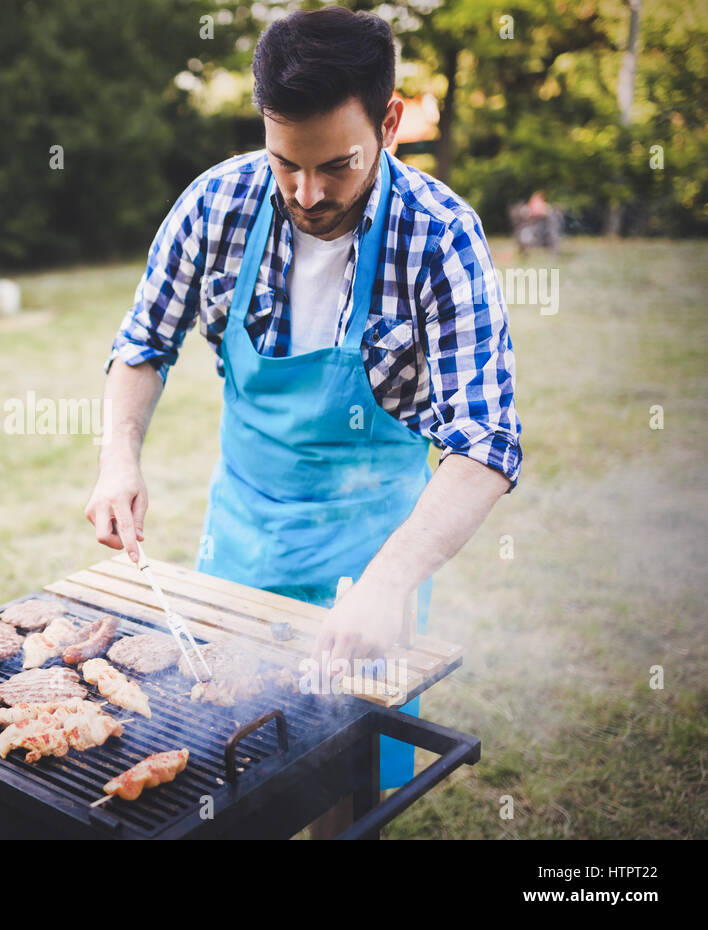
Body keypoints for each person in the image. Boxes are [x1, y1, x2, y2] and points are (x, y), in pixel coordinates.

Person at [85, 7, 522, 837]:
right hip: (241, 544)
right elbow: (142, 344)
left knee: (343, 781)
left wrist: (388, 585)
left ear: (388, 124)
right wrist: (119, 460)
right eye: (287, 163)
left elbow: (486, 444)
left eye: (336, 166)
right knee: (225, 764)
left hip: (371, 559)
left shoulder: (440, 239)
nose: (308, 194)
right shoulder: (217, 202)